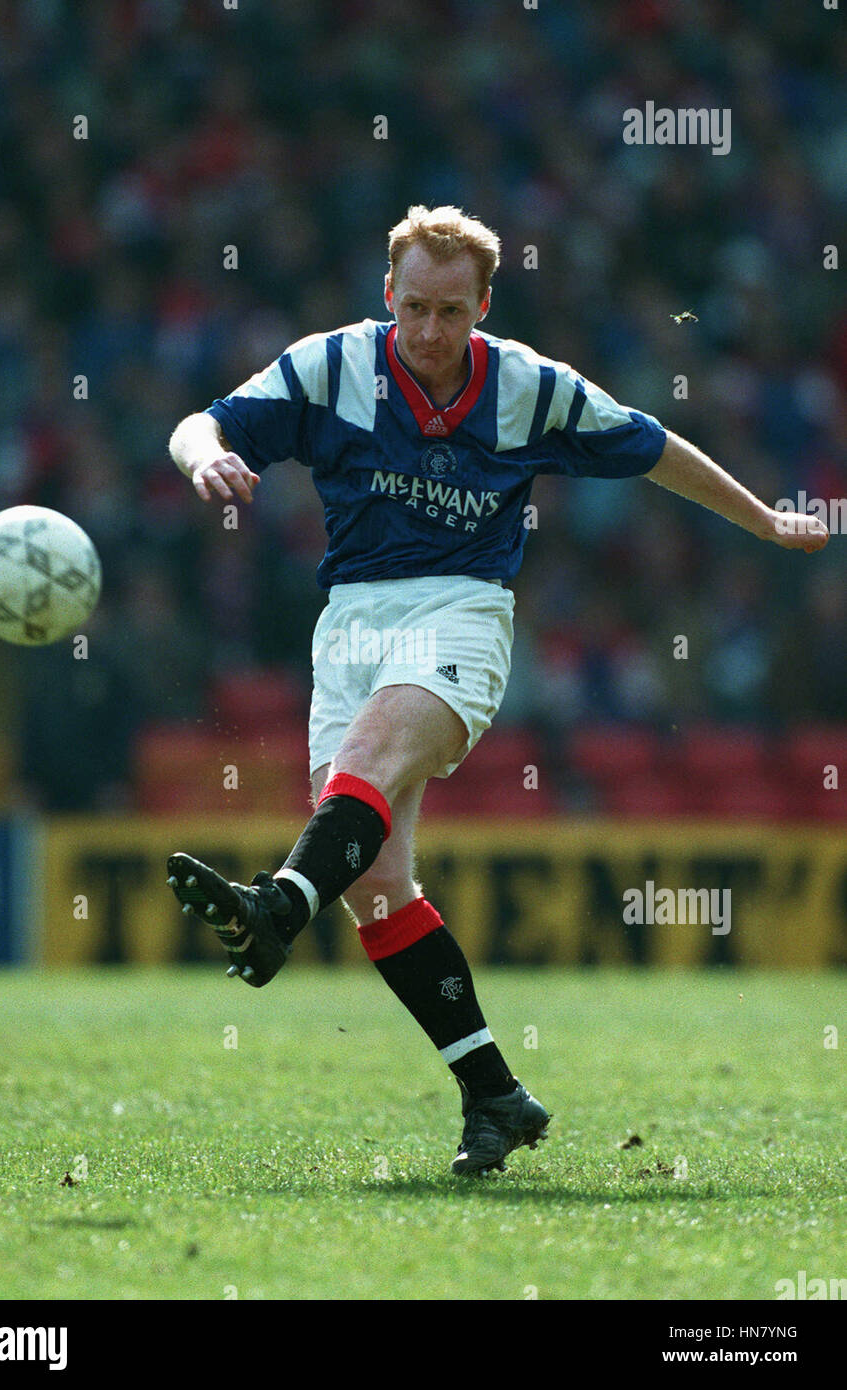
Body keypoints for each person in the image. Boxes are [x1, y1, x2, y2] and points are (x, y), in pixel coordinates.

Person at [166, 205, 828, 1177]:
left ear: (483, 305)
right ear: (387, 295)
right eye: (414, 308)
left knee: (374, 760)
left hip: (460, 612)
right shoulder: (330, 367)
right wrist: (204, 460)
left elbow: (653, 449)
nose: (430, 332)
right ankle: (494, 1094)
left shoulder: (529, 388)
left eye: (450, 311)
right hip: (347, 624)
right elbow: (201, 422)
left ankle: (277, 906)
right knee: (380, 887)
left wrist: (764, 519)